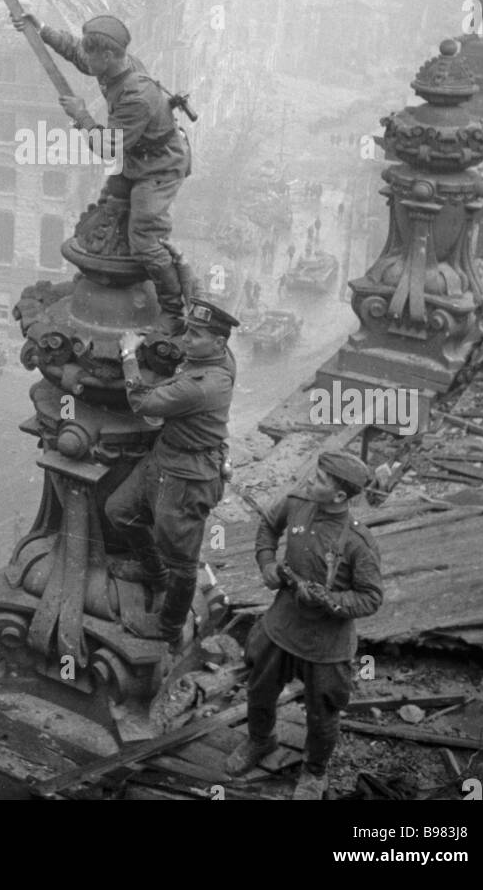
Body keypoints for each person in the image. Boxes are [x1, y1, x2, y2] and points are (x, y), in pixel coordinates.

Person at [12, 12, 191, 331]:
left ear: (108, 56)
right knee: (109, 206)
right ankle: (101, 271)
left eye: (92, 55)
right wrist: (41, 29)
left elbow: (109, 146)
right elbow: (77, 53)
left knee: (144, 237)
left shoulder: (136, 95)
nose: (86, 61)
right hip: (139, 157)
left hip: (160, 167)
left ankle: (173, 307)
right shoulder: (115, 65)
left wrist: (82, 116)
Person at [226, 451, 383, 800]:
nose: (311, 481)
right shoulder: (298, 502)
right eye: (316, 475)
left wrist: (331, 601)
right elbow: (268, 526)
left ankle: (314, 772)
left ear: (340, 496)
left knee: (323, 712)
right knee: (260, 687)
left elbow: (371, 597)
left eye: (321, 480)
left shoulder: (358, 542)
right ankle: (260, 740)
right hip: (283, 621)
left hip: (326, 641)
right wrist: (267, 563)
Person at [105, 294, 238, 647]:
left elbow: (142, 402)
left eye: (195, 336)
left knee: (182, 561)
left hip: (187, 477)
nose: (186, 341)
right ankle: (154, 571)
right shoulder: (220, 357)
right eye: (188, 332)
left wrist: (128, 353)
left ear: (219, 342)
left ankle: (168, 627)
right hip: (166, 457)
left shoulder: (204, 384)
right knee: (120, 511)